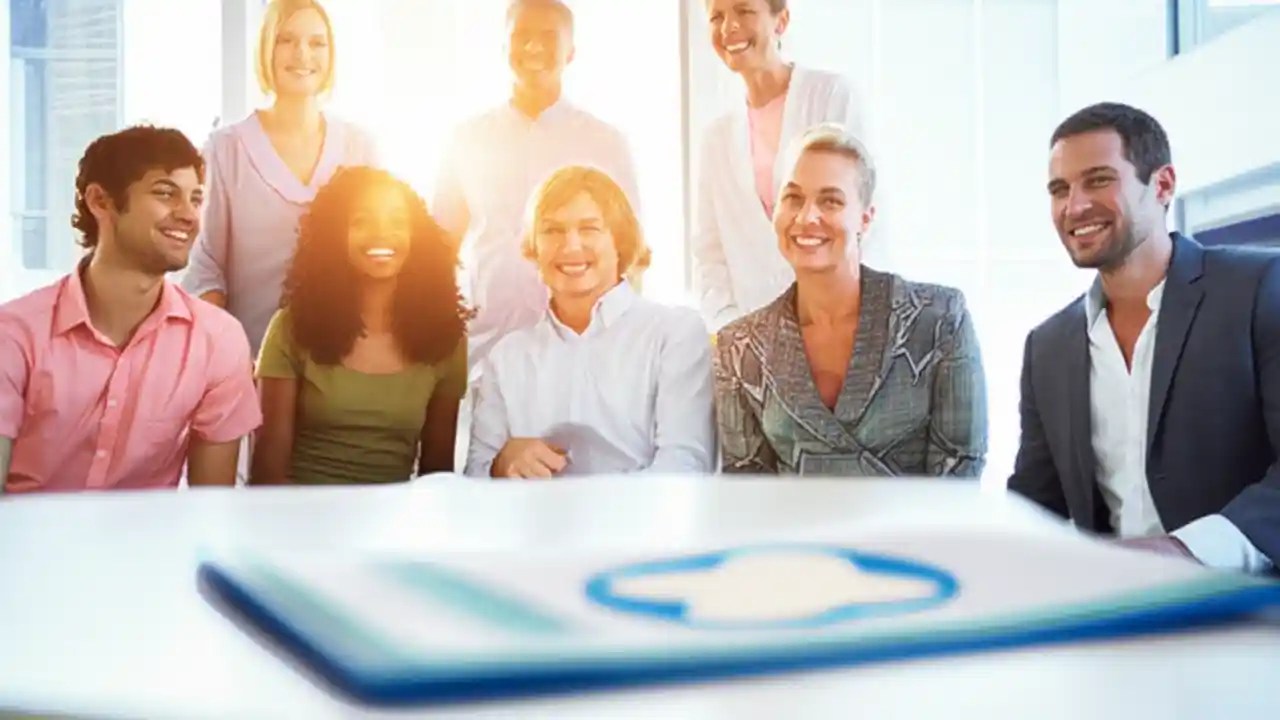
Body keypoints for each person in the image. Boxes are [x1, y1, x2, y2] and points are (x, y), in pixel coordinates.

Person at [1008, 102, 1280, 572]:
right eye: (1059, 189)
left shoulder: (1259, 289)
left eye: (1098, 180)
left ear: (1163, 185)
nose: (1074, 206)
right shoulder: (1047, 347)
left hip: (1248, 601)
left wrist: (1182, 551)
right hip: (1115, 605)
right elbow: (1034, 506)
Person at [0, 126, 261, 493]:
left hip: (151, 533)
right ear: (100, 201)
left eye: (196, 199)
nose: (189, 215)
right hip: (26, 531)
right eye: (165, 193)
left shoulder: (218, 340)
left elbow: (212, 506)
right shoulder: (14, 336)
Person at [715, 124, 987, 476]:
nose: (806, 217)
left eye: (830, 200)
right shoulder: (739, 348)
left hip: (917, 516)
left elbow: (959, 470)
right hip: (786, 516)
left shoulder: (940, 320)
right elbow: (746, 487)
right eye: (793, 198)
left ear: (865, 218)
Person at [465, 166, 714, 478]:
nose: (570, 246)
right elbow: (474, 478)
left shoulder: (675, 334)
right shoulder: (506, 356)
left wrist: (586, 501)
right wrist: (500, 466)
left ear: (620, 241)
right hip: (534, 511)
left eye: (589, 228)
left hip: (640, 512)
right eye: (552, 231)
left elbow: (685, 467)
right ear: (535, 247)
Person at [433, 0, 641, 373]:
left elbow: (631, 253)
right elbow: (439, 248)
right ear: (503, 46)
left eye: (548, 37)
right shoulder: (466, 140)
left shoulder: (605, 143)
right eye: (521, 37)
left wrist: (623, 349)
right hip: (486, 349)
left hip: (582, 353)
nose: (533, 47)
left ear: (571, 51)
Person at [183, 0, 379, 355]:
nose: (303, 54)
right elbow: (207, 267)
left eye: (317, 43)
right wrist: (225, 362)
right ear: (265, 50)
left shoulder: (359, 146)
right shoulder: (225, 150)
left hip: (344, 362)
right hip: (249, 359)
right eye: (286, 40)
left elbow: (380, 252)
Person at [251, 167, 468, 485]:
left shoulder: (445, 337)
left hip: (396, 513)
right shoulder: (290, 328)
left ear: (416, 237)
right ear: (335, 235)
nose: (381, 234)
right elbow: (267, 473)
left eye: (397, 221)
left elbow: (437, 475)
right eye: (362, 221)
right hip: (300, 510)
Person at [692, 0, 869, 331]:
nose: (728, 27)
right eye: (717, 16)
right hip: (752, 335)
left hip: (838, 328)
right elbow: (709, 254)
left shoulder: (832, 97)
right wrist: (730, 329)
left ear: (781, 21)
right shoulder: (715, 138)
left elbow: (863, 217)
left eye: (744, 11)